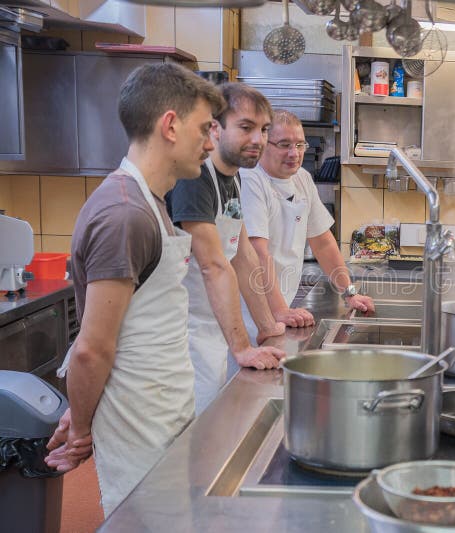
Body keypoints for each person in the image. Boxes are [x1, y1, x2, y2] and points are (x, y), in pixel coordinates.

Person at [44, 63, 226, 516]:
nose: (209, 143)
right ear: (170, 125)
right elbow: (92, 349)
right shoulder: (125, 214)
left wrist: (80, 411)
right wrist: (82, 427)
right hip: (139, 422)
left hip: (158, 412)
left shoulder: (149, 203)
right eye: (204, 129)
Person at [167, 83, 286, 414]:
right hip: (184, 337)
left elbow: (243, 256)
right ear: (215, 128)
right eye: (246, 128)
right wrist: (243, 348)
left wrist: (268, 327)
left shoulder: (231, 178)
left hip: (213, 330)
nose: (258, 140)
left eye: (264, 130)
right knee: (198, 439)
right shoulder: (195, 178)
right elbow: (213, 266)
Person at [239, 110, 374, 331]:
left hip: (280, 308)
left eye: (300, 145)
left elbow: (322, 241)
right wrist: (280, 310)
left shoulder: (302, 178)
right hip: (249, 313)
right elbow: (257, 254)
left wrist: (349, 292)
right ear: (263, 143)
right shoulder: (250, 179)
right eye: (284, 144)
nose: (294, 153)